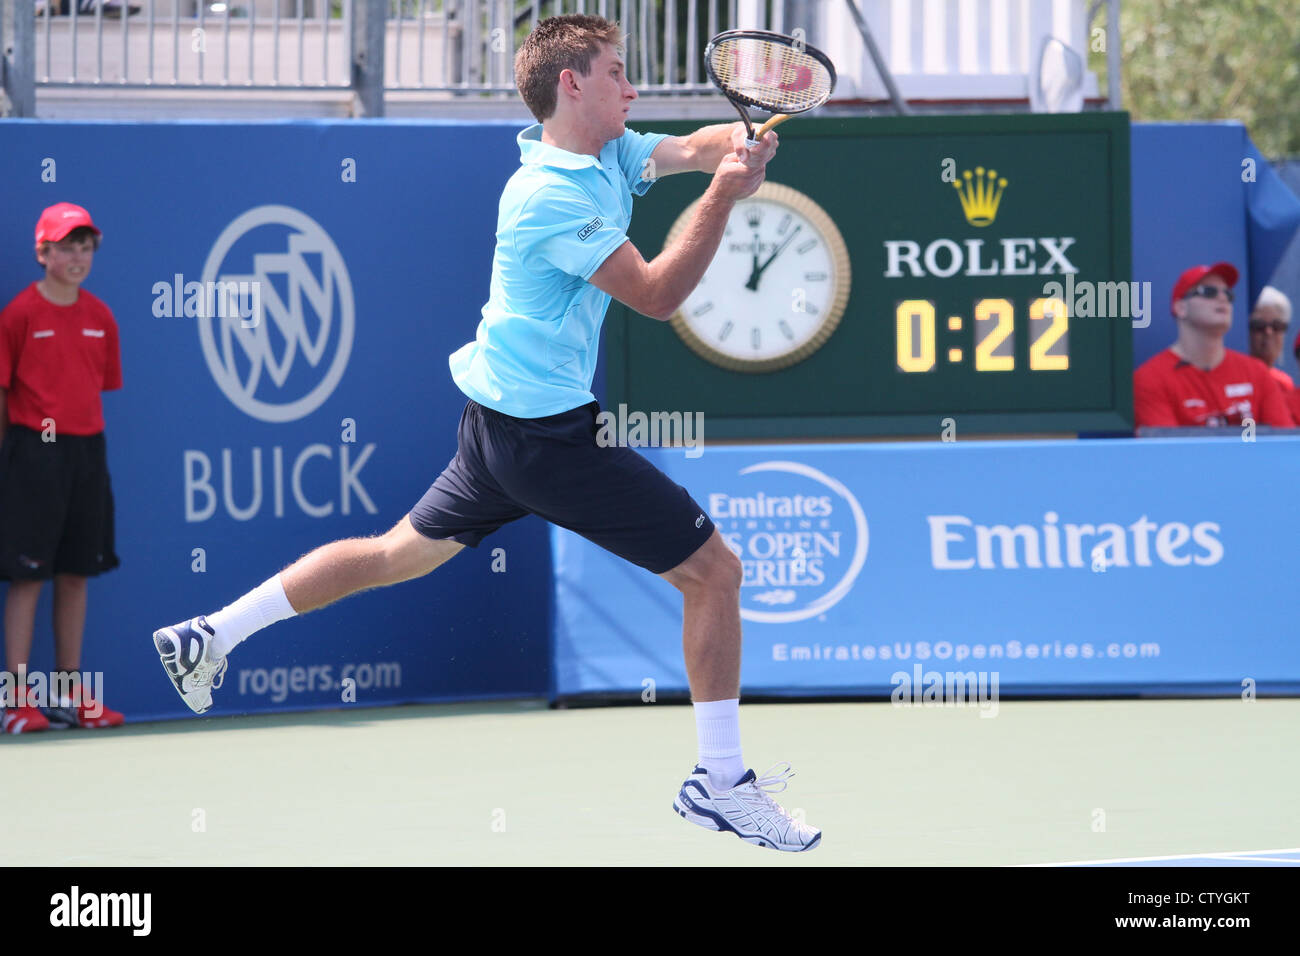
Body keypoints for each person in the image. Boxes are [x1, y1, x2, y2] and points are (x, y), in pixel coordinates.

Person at [153, 14, 820, 852]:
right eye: (617, 72)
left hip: (497, 425)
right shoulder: (550, 195)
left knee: (394, 554)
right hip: (544, 438)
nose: (633, 87)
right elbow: (654, 295)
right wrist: (726, 192)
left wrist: (740, 142)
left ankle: (212, 635)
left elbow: (694, 145)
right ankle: (720, 781)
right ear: (570, 85)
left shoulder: (609, 151)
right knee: (715, 573)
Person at [0, 202, 125, 733]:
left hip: (87, 454)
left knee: (77, 576)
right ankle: (14, 702)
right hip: (32, 454)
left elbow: (97, 389)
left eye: (85, 246)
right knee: (29, 579)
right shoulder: (18, 316)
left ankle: (70, 699)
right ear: (42, 252)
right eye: (67, 246)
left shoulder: (101, 317)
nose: (77, 256)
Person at [1133, 262, 1294, 428]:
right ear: (1180, 307)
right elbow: (1166, 451)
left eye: (1228, 294)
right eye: (1208, 292)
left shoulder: (1257, 373)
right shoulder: (1150, 379)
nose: (1223, 298)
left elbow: (1284, 445)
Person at [1247, 286, 1293, 391]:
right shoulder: (1237, 379)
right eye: (1259, 325)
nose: (1269, 332)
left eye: (1277, 326)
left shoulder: (1284, 383)